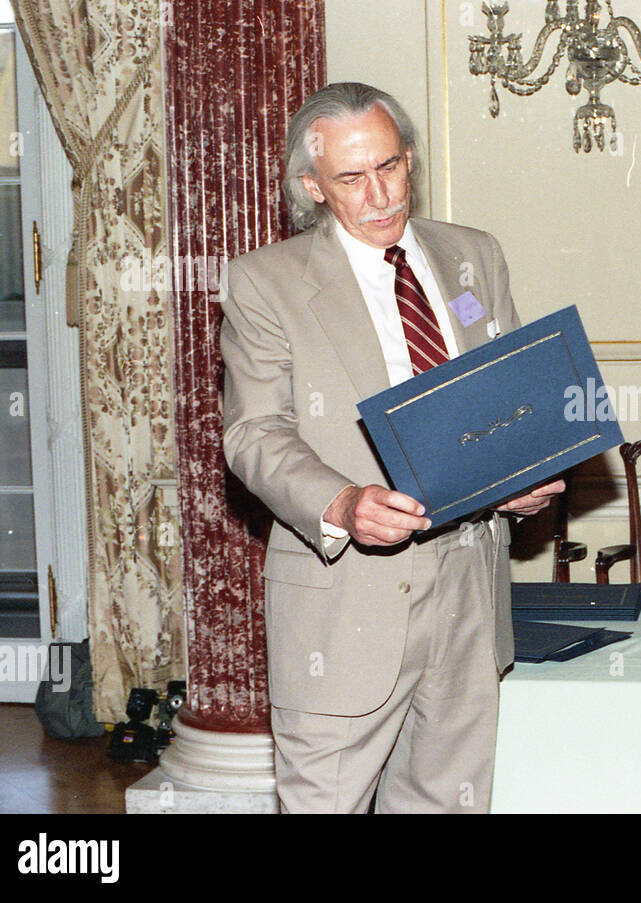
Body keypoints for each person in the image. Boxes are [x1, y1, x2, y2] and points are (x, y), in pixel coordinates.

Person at [219, 82, 561, 813]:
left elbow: (506, 403)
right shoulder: (264, 283)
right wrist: (342, 501)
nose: (379, 195)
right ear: (311, 186)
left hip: (468, 591)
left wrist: (524, 476)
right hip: (345, 606)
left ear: (410, 158)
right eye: (351, 178)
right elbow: (254, 433)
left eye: (391, 166)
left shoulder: (474, 255)